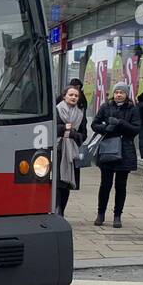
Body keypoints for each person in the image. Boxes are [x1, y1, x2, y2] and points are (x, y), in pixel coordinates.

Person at [90, 82, 141, 227]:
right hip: (107, 149)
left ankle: (117, 215)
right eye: (117, 92)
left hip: (125, 151)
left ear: (126, 95)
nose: (119, 94)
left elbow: (136, 129)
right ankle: (101, 214)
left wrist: (120, 123)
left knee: (121, 185)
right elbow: (94, 124)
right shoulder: (106, 106)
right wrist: (106, 127)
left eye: (122, 92)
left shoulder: (132, 109)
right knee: (105, 184)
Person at [54, 84, 86, 215]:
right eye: (71, 95)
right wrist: (65, 128)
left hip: (72, 153)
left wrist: (75, 135)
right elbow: (51, 128)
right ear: (64, 96)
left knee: (66, 185)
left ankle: (61, 211)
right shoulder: (56, 110)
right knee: (56, 183)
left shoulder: (80, 114)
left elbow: (83, 134)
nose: (73, 97)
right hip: (58, 150)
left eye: (76, 95)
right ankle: (56, 211)